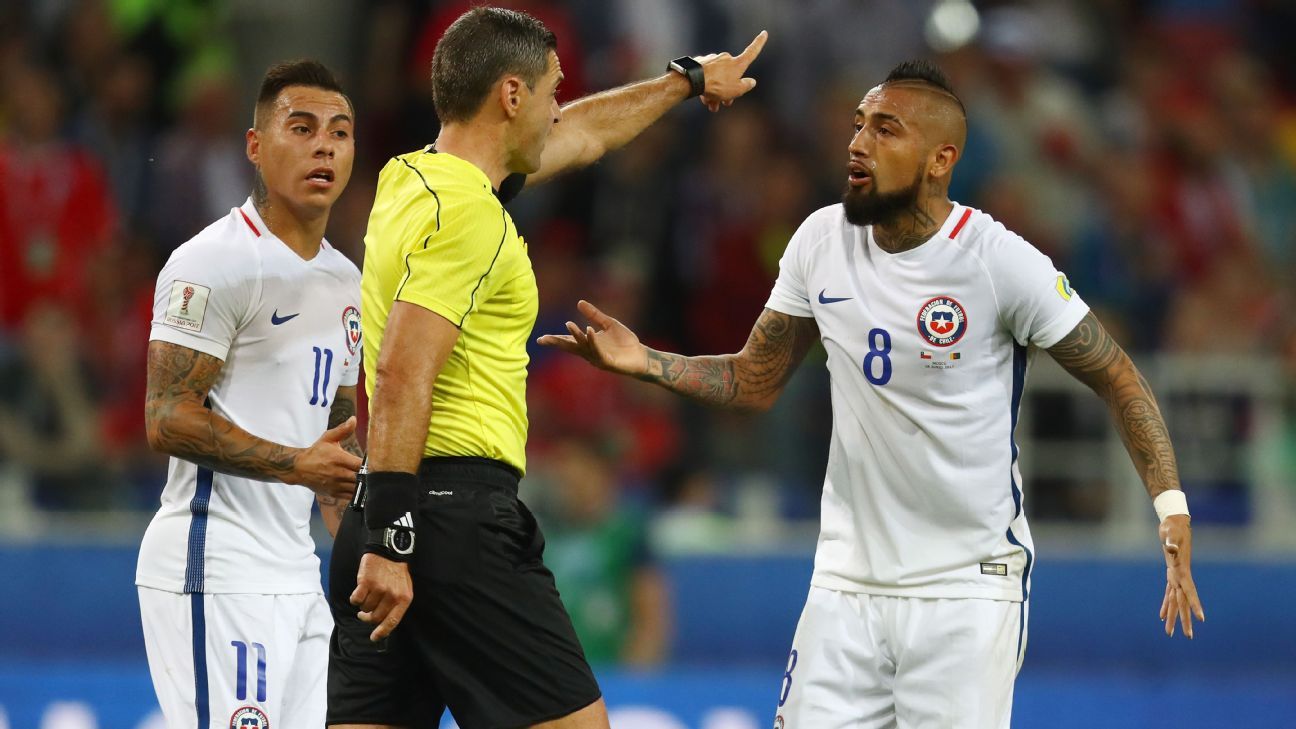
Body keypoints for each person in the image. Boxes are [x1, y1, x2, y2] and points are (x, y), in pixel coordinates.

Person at [539, 60, 1207, 729]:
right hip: (845, 588)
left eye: (885, 129)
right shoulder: (819, 241)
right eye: (859, 125)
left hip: (966, 588)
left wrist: (1170, 505)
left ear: (940, 159)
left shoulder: (998, 262)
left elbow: (1118, 375)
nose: (858, 143)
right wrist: (647, 361)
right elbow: (755, 379)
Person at [327, 7, 765, 728]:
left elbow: (583, 134)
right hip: (449, 523)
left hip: (393, 507)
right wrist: (394, 540)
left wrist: (685, 83)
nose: (560, 106)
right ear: (510, 96)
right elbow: (404, 369)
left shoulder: (410, 180)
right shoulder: (469, 217)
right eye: (553, 89)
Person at [138, 60, 364, 729]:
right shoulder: (214, 261)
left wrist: (367, 552)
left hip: (297, 575)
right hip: (216, 563)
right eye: (302, 127)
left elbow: (337, 447)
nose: (325, 145)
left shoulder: (347, 283)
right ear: (256, 147)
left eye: (341, 131)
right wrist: (297, 464)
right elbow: (165, 417)